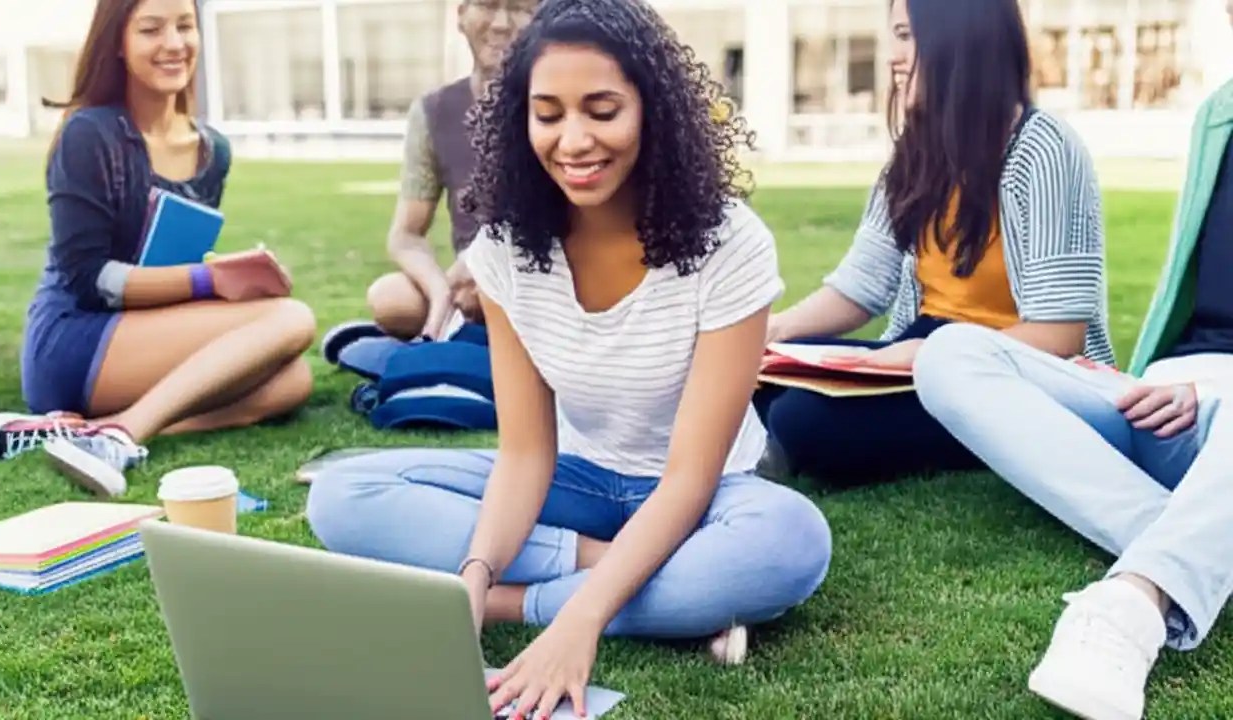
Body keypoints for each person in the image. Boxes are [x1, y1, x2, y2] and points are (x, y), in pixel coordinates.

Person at [305, 0, 832, 716]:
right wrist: (471, 573)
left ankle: (522, 605)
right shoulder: (505, 251)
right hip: (575, 482)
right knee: (342, 496)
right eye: (548, 114)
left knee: (791, 541)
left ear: (654, 111)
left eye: (602, 109)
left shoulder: (731, 244)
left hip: (707, 497)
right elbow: (525, 455)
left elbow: (689, 475)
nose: (574, 140)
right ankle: (653, 592)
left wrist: (568, 620)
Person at [912, 46, 1233, 720]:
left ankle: (1137, 600)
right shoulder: (1218, 115)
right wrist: (1138, 379)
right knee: (949, 356)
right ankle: (1194, 542)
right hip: (1164, 394)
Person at [752, 0, 1113, 486]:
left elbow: (1059, 336)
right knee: (760, 374)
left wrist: (928, 353)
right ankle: (765, 439)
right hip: (925, 346)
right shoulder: (917, 150)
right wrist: (773, 334)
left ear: (958, 41)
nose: (893, 58)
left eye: (906, 35)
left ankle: (773, 445)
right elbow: (862, 285)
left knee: (805, 419)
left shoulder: (1041, 148)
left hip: (1016, 371)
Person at [0, 0, 315, 498]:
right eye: (151, 29)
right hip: (73, 338)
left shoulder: (211, 150)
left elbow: (168, 260)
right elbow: (86, 281)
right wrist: (208, 281)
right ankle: (120, 435)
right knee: (290, 319)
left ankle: (83, 431)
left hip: (143, 327)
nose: (174, 44)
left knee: (292, 382)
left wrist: (232, 274)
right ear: (118, 44)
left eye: (185, 26)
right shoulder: (89, 134)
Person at [320, 0, 539, 359]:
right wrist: (440, 291)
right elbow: (406, 234)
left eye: (519, 8)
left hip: (538, 276)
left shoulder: (556, 104)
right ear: (461, 15)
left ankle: (453, 346)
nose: (501, 23)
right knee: (390, 298)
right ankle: (455, 334)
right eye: (487, 5)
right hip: (466, 292)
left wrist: (487, 261)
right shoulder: (434, 112)